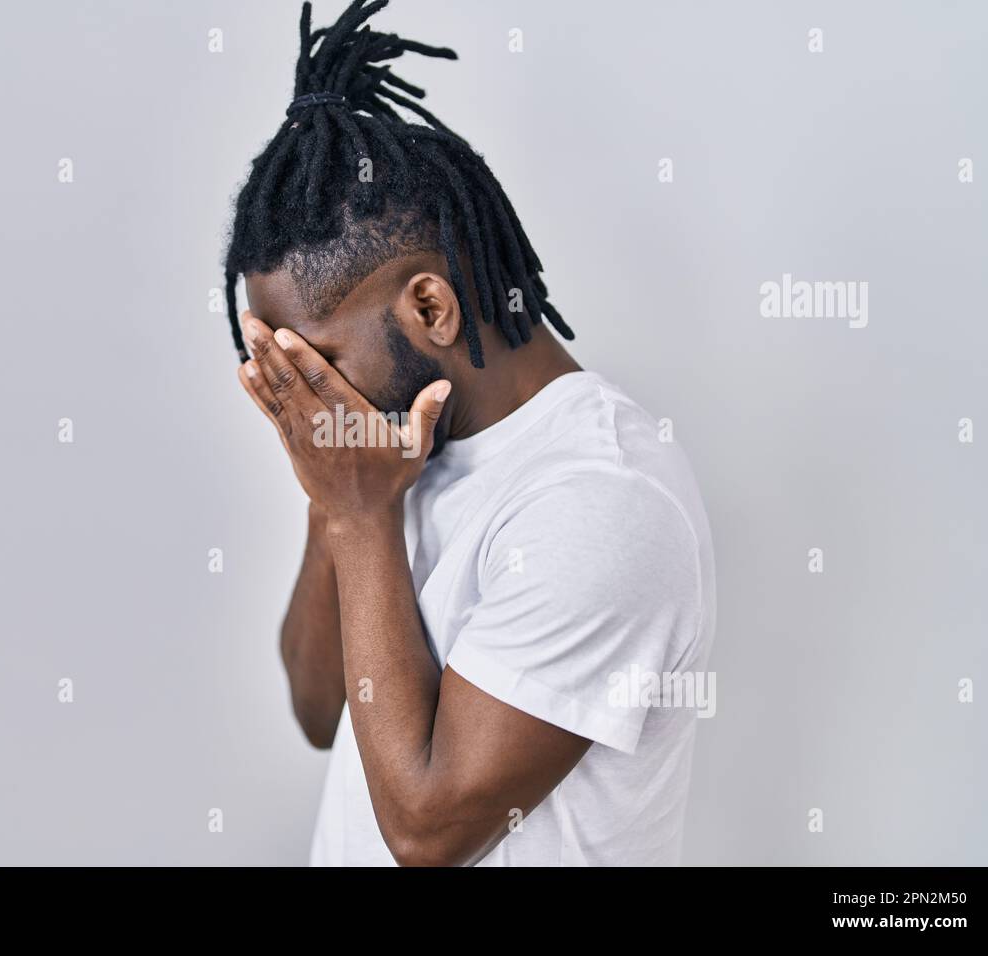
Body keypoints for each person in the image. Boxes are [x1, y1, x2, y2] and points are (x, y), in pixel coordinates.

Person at [223, 0, 716, 866]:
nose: (294, 393)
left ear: (430, 307)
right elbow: (315, 705)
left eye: (313, 358)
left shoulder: (601, 496)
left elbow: (429, 829)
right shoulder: (389, 456)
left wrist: (362, 515)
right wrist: (332, 503)